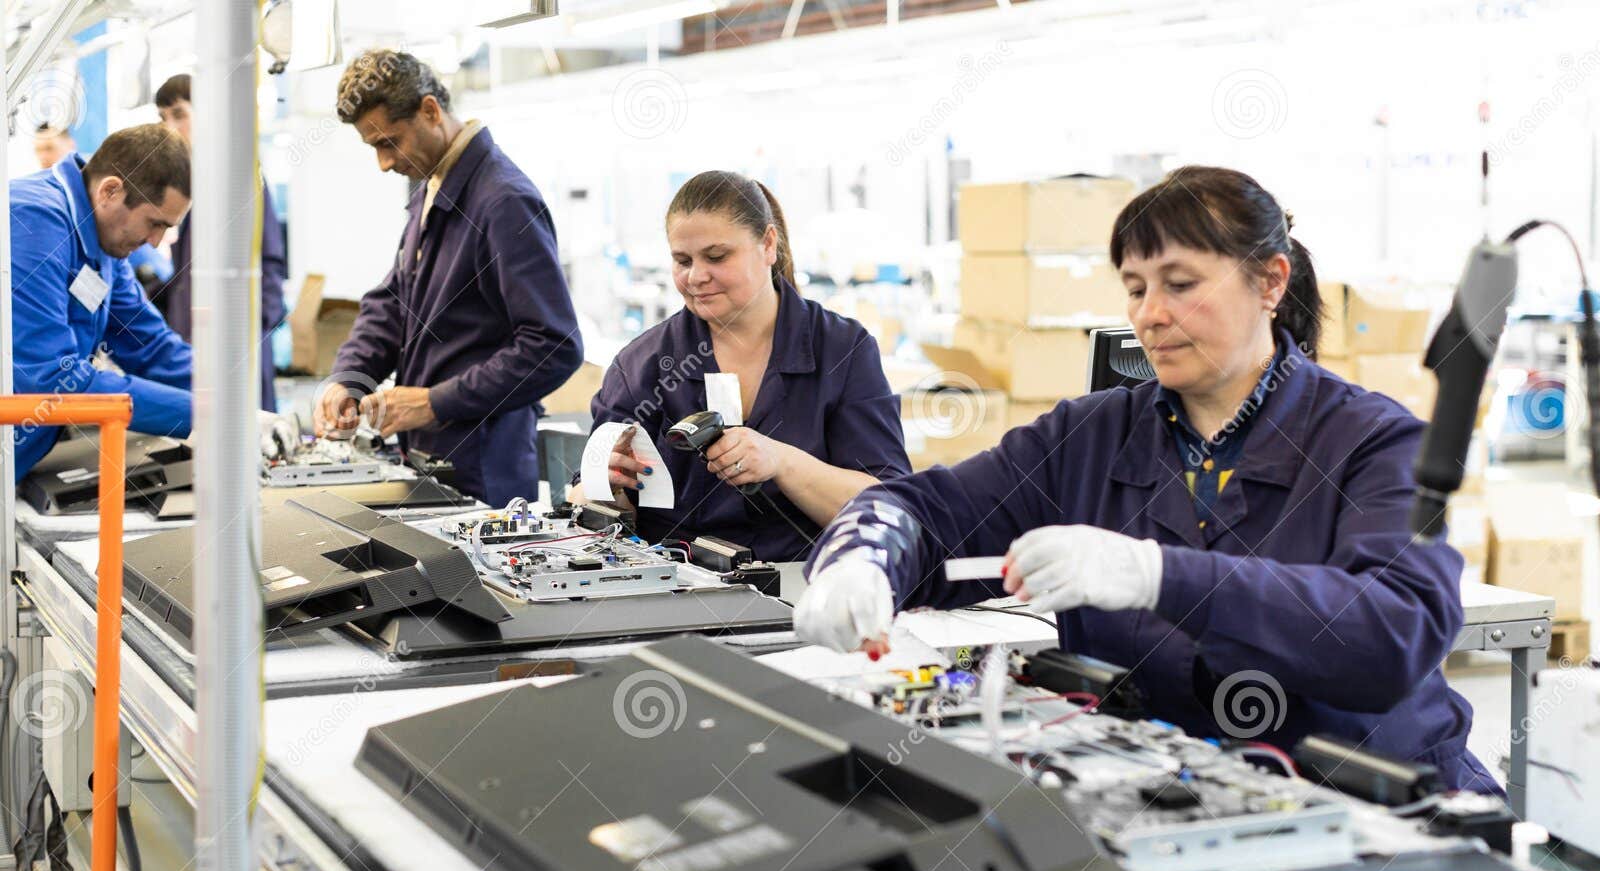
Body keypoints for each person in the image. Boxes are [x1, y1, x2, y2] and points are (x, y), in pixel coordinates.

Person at [796, 165, 1492, 793]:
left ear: (1271, 282)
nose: (1149, 315)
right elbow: (921, 510)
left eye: (1180, 284)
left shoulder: (1375, 442)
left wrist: (1155, 575)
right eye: (1135, 289)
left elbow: (1392, 633)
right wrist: (862, 559)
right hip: (1171, 804)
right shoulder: (1088, 437)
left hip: (1379, 813)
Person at [568, 171, 911, 562]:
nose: (697, 276)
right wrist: (610, 491)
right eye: (683, 260)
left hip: (809, 586)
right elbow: (585, 507)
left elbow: (888, 508)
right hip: (677, 594)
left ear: (768, 244)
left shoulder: (843, 351)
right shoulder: (640, 365)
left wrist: (782, 461)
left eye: (717, 257)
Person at [317, 49, 583, 506]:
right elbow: (393, 300)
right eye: (374, 147)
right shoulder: (432, 187)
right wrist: (350, 377)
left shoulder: (502, 201)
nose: (383, 163)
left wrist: (435, 402)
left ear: (430, 110)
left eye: (390, 142)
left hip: (483, 467)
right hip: (429, 455)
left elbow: (554, 346)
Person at [10, 124, 195, 479]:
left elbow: (149, 345)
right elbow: (51, 378)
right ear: (110, 190)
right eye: (154, 224)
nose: (155, 243)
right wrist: (204, 413)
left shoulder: (104, 243)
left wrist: (234, 398)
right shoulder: (32, 221)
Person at [143, 73, 289, 411]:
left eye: (179, 114)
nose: (169, 127)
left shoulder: (239, 176)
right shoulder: (188, 182)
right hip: (190, 351)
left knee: (245, 448)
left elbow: (268, 269)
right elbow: (184, 278)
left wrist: (245, 340)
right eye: (162, 118)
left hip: (234, 352)